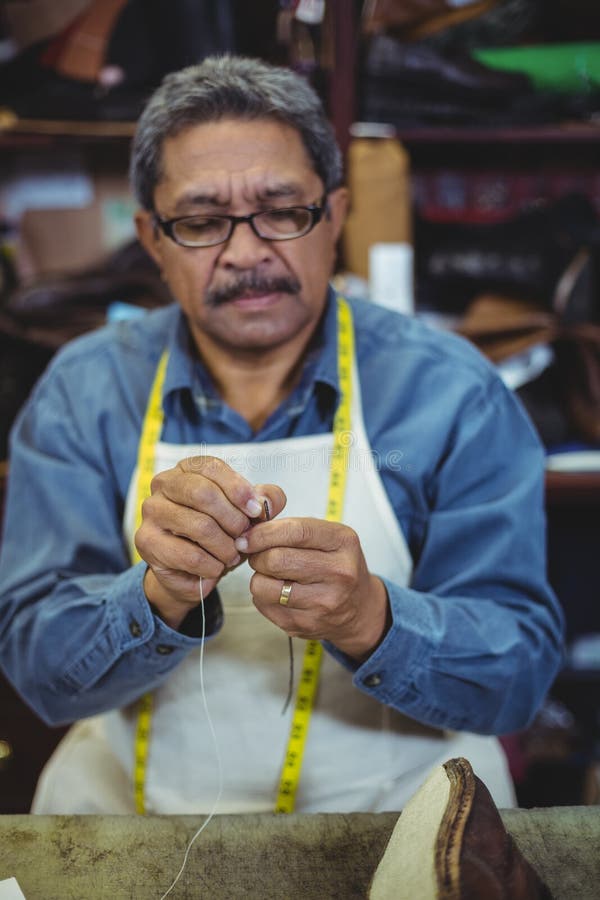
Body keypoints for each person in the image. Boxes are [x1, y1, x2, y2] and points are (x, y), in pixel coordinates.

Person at [0, 55, 563, 816]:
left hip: (399, 819)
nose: (245, 252)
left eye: (282, 210)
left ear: (334, 216)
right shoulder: (84, 392)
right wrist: (155, 596)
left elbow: (521, 672)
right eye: (200, 222)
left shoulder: (450, 391)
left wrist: (375, 619)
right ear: (152, 239)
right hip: (130, 829)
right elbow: (37, 668)